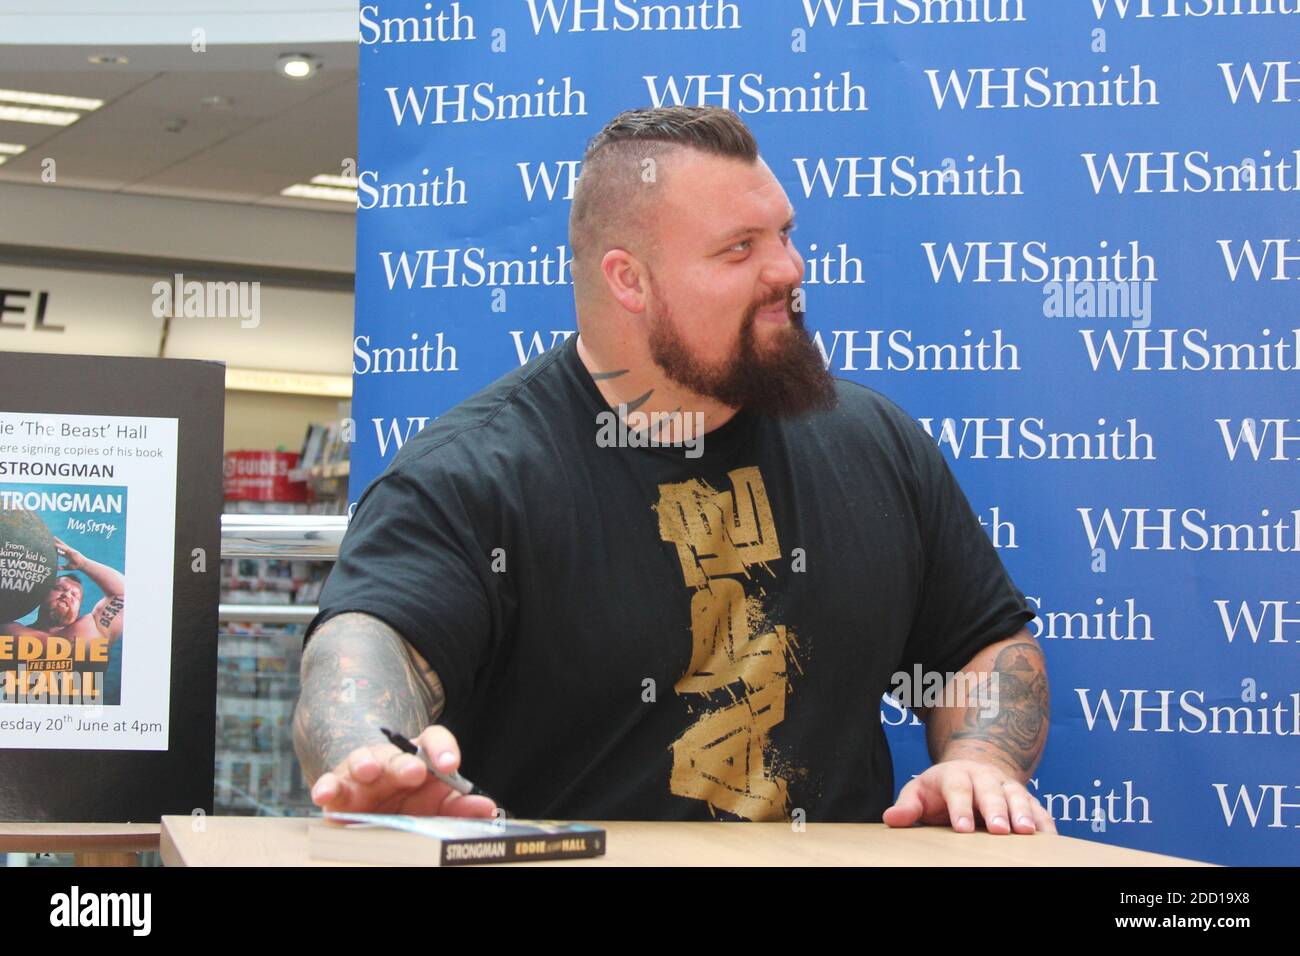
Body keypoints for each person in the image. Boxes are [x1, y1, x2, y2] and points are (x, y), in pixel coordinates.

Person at [294, 106, 1054, 834]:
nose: (787, 268)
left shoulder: (873, 442)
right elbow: (368, 645)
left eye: (785, 234)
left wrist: (982, 759)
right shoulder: (475, 475)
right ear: (630, 280)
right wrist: (370, 753)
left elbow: (981, 643)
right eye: (739, 248)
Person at [2, 537, 125, 648]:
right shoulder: (8, 631)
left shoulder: (94, 629)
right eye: (59, 588)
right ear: (41, 595)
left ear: (79, 611)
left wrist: (83, 563)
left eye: (75, 595)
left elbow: (124, 594)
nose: (67, 595)